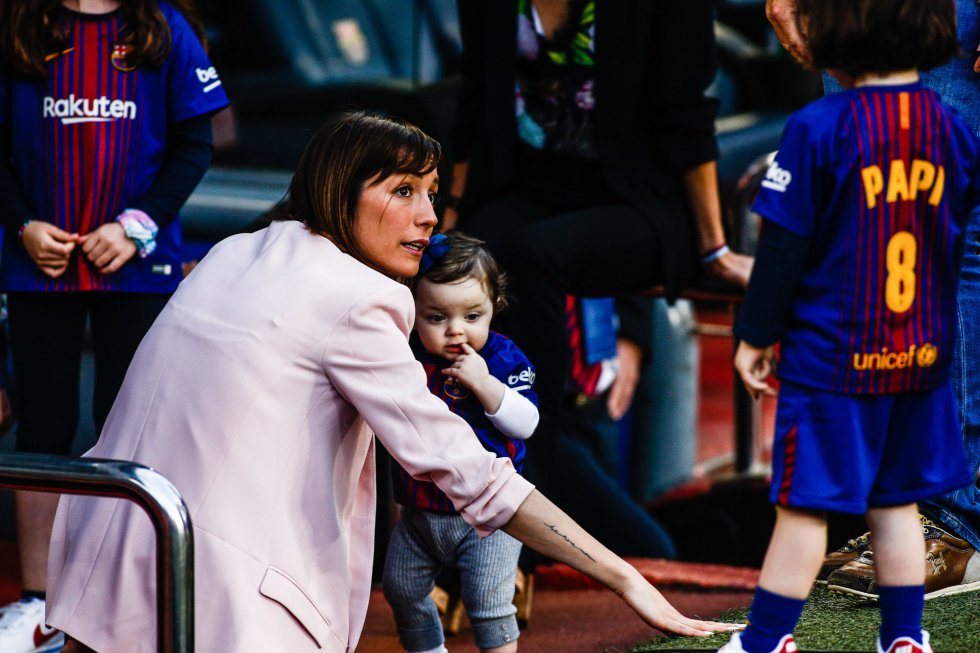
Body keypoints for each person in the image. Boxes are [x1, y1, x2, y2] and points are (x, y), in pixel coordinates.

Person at [42, 111, 738, 653]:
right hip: (220, 599)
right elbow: (472, 471)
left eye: (432, 194)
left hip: (104, 558)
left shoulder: (236, 249)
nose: (429, 217)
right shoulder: (360, 297)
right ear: (339, 190)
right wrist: (625, 577)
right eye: (402, 191)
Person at [443, 0, 752, 562]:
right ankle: (464, 481)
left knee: (535, 255)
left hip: (634, 197)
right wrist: (449, 221)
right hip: (526, 184)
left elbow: (688, 115)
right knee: (464, 265)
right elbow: (474, 99)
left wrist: (715, 248)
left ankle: (535, 481)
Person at [724, 2, 980, 652]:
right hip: (921, 360)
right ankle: (904, 637)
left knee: (805, 506)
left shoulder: (817, 125)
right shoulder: (952, 127)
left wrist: (755, 335)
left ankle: (765, 639)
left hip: (834, 360)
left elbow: (781, 248)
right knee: (896, 502)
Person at [0, 0, 228, 650]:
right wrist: (23, 224)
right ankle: (37, 600)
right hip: (38, 264)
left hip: (137, 265)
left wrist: (137, 225)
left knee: (129, 424)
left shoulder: (161, 26)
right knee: (42, 427)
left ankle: (122, 599)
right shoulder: (21, 23)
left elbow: (195, 144)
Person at [383, 230, 538, 653]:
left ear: (494, 307)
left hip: (489, 516)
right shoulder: (409, 355)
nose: (456, 332)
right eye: (437, 317)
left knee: (487, 604)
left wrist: (487, 386)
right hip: (420, 510)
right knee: (401, 589)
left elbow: (526, 423)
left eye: (472, 317)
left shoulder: (502, 359)